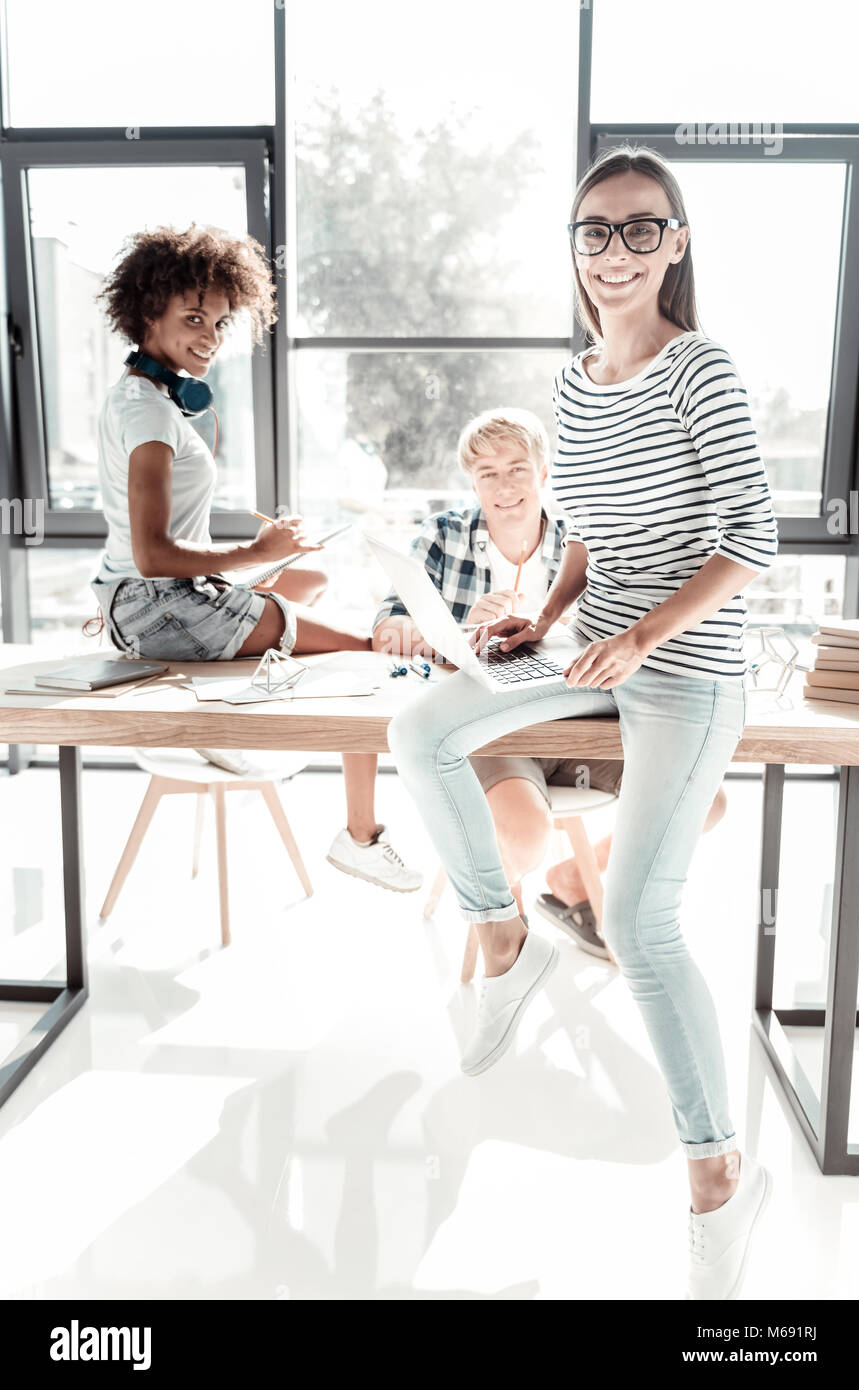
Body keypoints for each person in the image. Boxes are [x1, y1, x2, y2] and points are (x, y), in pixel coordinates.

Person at [386, 146, 778, 1299]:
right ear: (573, 249)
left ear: (678, 243)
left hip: (686, 667)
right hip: (586, 642)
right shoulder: (568, 386)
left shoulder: (701, 368)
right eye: (595, 232)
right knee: (423, 731)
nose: (615, 252)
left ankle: (717, 1175)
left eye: (639, 229)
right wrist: (541, 619)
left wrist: (642, 637)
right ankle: (501, 932)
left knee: (645, 925)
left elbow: (753, 538)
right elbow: (590, 541)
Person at [89, 223, 421, 893]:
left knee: (314, 577)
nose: (209, 335)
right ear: (145, 313)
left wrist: (267, 558)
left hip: (137, 601)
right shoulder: (152, 418)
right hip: (161, 602)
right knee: (364, 650)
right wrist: (254, 551)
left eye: (217, 320)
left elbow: (140, 546)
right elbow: (153, 554)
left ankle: (242, 689)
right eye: (191, 318)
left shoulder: (143, 399)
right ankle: (359, 835)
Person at [372, 405, 728, 956]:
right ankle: (507, 948)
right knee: (520, 836)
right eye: (487, 473)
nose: (504, 485)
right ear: (471, 481)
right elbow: (386, 632)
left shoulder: (581, 542)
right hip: (494, 730)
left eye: (517, 468)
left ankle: (573, 881)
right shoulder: (443, 536)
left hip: (582, 714)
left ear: (543, 473)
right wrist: (457, 634)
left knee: (707, 800)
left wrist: (547, 625)